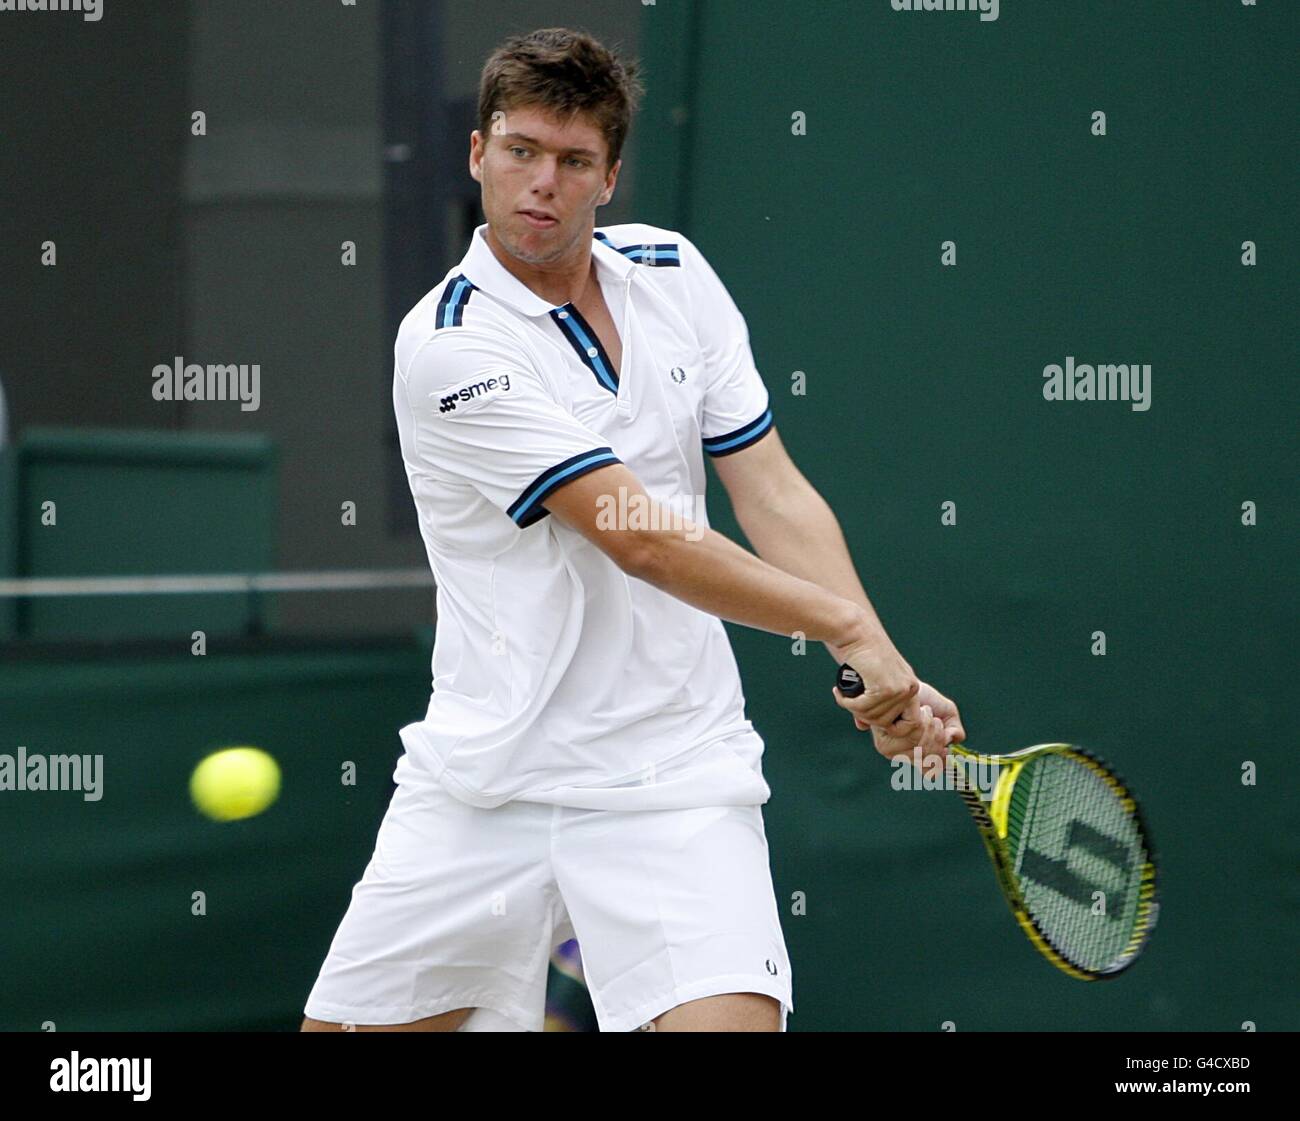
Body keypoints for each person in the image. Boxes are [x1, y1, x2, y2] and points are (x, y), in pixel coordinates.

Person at [302, 27, 963, 1034]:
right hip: (488, 781)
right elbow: (637, 535)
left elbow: (770, 488)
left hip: (673, 772)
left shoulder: (674, 273)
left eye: (572, 161)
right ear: (477, 154)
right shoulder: (446, 349)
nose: (541, 183)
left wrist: (887, 664)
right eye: (519, 150)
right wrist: (842, 626)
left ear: (609, 176)